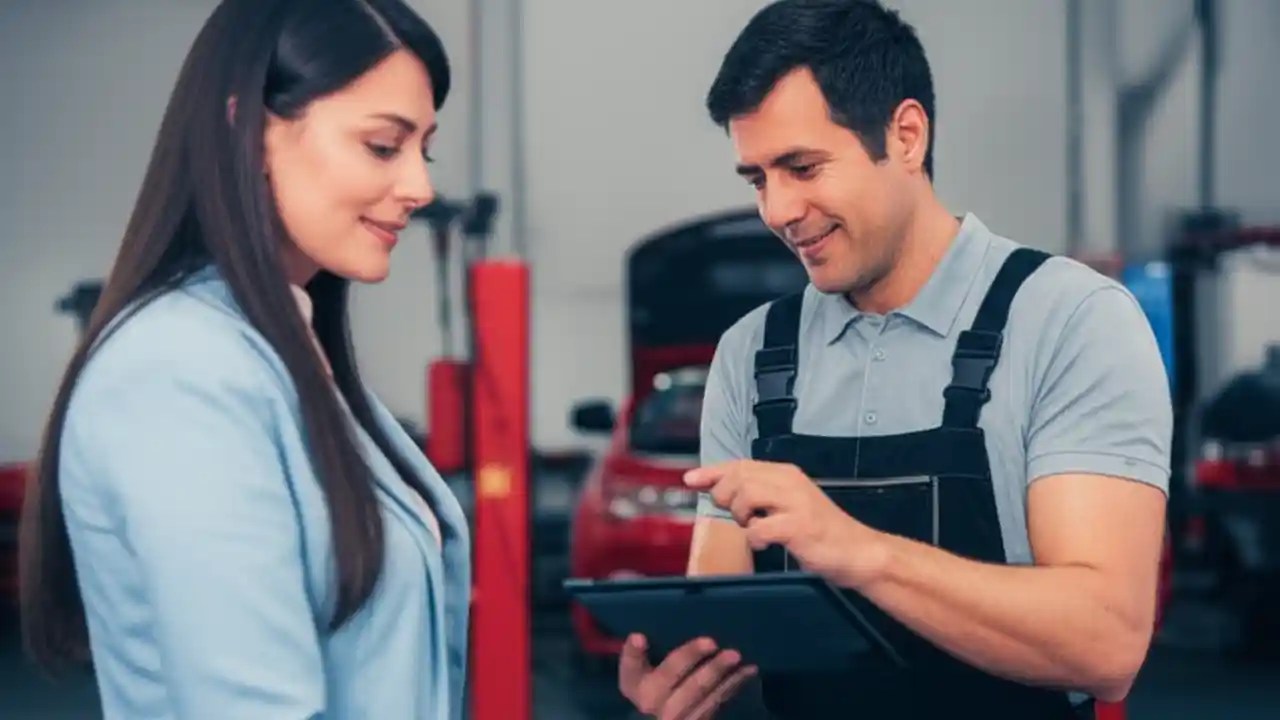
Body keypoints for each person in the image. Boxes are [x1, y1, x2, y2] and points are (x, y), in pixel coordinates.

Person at [617, 1, 1171, 718]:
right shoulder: (751, 356)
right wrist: (684, 686)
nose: (778, 210)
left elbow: (1105, 644)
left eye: (802, 166)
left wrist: (859, 551)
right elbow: (730, 641)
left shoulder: (1070, 322)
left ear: (906, 136)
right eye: (757, 179)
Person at [17, 1, 470, 718]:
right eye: (385, 146)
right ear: (249, 131)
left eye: (426, 150)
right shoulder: (176, 370)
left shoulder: (285, 347)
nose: (420, 186)